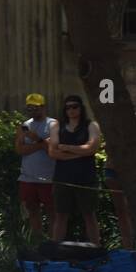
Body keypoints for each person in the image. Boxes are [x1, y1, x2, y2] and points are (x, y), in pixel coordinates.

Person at [48, 94, 102, 244]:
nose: (71, 110)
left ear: (81, 108)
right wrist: (80, 153)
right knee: (60, 215)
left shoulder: (91, 125)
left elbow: (92, 148)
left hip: (86, 178)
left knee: (89, 215)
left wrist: (67, 148)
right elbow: (53, 152)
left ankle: (96, 248)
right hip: (62, 178)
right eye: (68, 107)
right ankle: (56, 248)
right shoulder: (56, 126)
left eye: (74, 106)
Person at [103, 111, 136, 250]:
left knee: (135, 209)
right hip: (113, 170)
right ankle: (128, 247)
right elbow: (107, 147)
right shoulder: (111, 119)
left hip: (133, 171)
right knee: (121, 211)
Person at [14, 93, 56, 239]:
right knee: (32, 211)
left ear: (43, 107)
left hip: (49, 178)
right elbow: (20, 150)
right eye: (29, 108)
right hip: (28, 177)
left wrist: (36, 139)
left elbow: (53, 149)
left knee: (52, 213)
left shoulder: (53, 124)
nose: (32, 110)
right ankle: (37, 242)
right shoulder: (24, 126)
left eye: (35, 107)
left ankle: (53, 244)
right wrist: (41, 144)